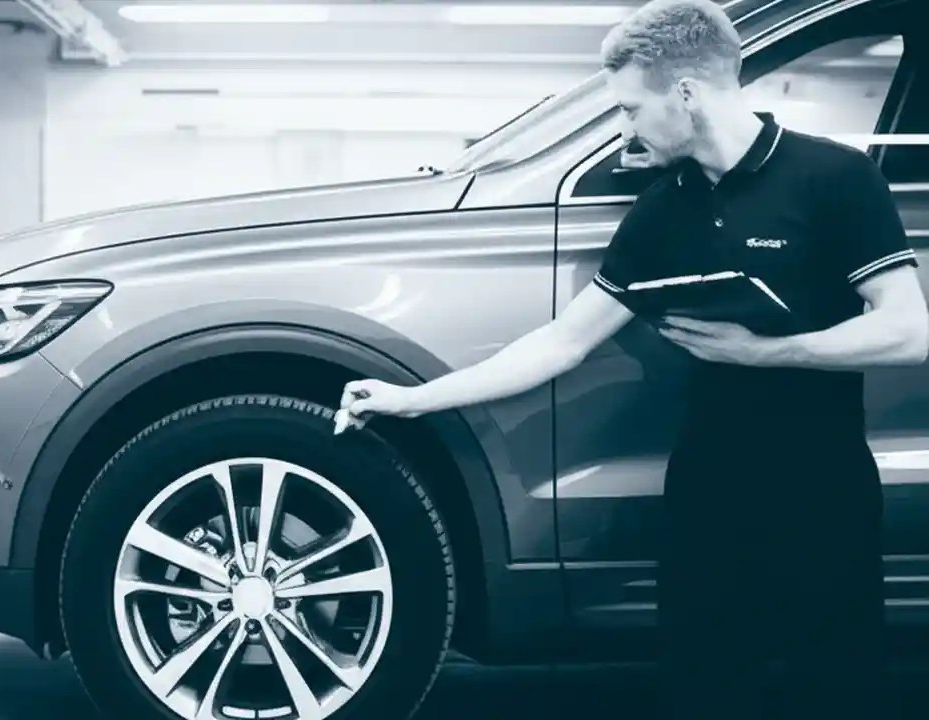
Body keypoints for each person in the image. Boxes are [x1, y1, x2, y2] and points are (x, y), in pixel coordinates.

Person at [336, 1, 929, 718]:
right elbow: (562, 341)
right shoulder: (661, 211)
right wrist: (410, 399)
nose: (626, 130)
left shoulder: (835, 178)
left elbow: (907, 331)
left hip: (823, 482)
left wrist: (766, 353)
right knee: (705, 687)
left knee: (836, 687)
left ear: (685, 92)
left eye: (631, 108)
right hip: (708, 485)